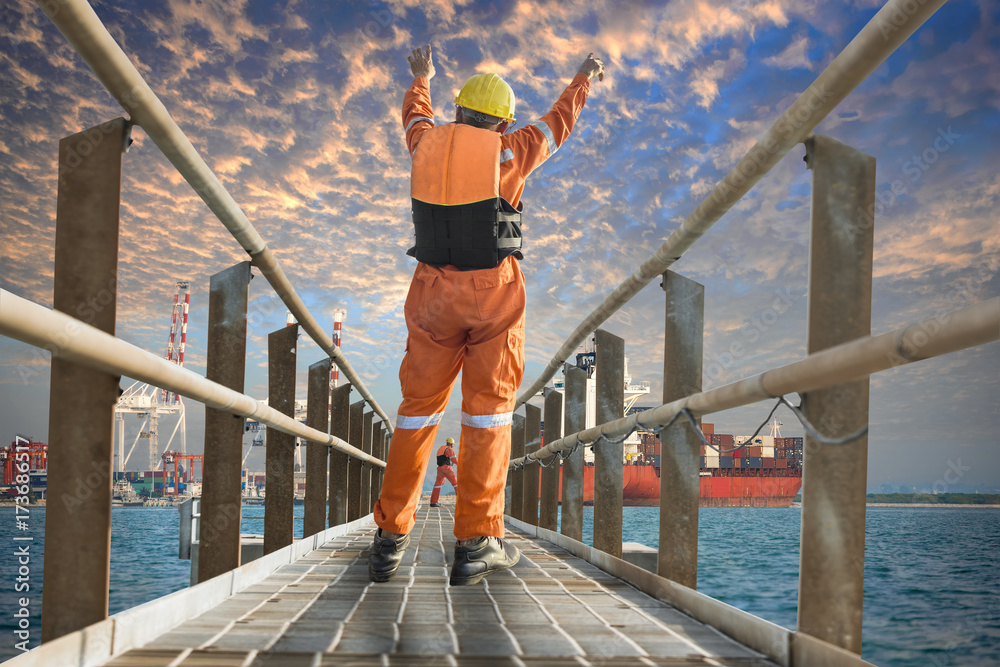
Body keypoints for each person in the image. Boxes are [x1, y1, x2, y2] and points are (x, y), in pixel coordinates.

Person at [369, 44, 605, 586]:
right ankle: (477, 542)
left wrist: (421, 75)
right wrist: (583, 78)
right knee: (489, 413)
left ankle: (390, 538)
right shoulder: (513, 149)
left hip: (430, 291)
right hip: (492, 291)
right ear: (503, 119)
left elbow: (414, 113)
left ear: (458, 112)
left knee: (416, 412)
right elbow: (558, 122)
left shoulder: (424, 142)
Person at [429, 437, 459, 507]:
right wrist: (460, 465)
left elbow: (443, 458)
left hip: (440, 469)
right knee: (455, 483)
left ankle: (433, 502)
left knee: (438, 485)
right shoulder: (449, 449)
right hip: (447, 469)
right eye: (452, 445)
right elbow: (454, 459)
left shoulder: (440, 448)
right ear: (451, 444)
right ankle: (461, 501)